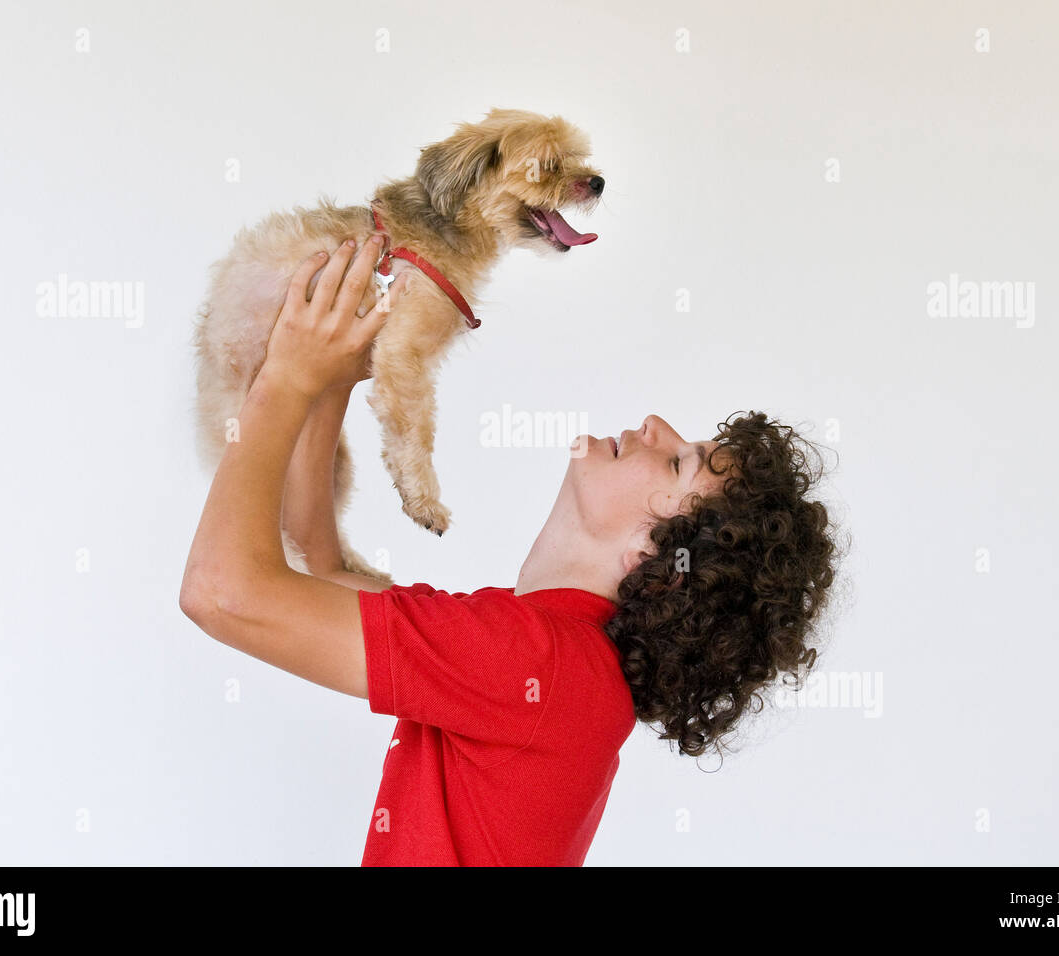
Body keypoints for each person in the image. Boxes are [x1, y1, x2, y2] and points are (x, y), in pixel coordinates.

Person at [180, 236, 842, 866]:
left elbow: (221, 593)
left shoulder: (540, 664)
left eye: (676, 464)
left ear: (655, 559)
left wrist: (288, 382)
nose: (654, 427)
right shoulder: (550, 654)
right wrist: (333, 384)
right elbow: (320, 570)